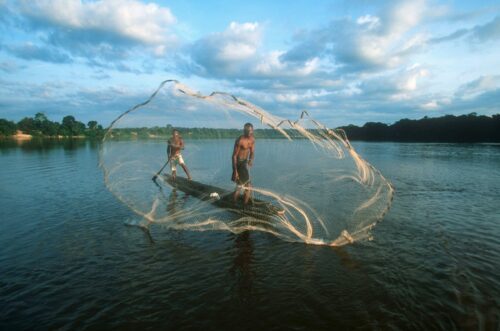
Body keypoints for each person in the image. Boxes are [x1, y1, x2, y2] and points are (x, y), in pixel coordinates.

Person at [232, 123, 255, 206]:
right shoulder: (240, 140)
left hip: (244, 162)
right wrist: (235, 171)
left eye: (251, 131)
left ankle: (240, 204)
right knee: (245, 186)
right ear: (244, 131)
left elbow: (252, 152)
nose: (250, 132)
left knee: (244, 186)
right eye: (248, 131)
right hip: (238, 163)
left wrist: (251, 159)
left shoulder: (252, 140)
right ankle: (238, 204)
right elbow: (234, 156)